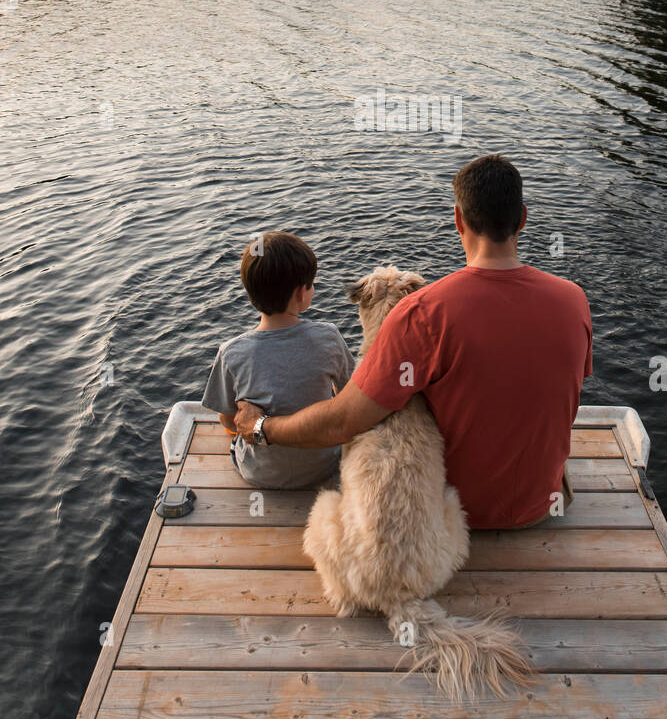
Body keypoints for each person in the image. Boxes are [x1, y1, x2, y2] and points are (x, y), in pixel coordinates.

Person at [234, 156, 593, 529]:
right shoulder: (574, 301)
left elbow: (342, 422)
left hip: (454, 514)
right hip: (543, 503)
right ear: (522, 218)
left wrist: (261, 429)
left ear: (458, 220)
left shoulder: (422, 312)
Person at [202, 231, 355, 489]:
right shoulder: (328, 336)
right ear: (300, 294)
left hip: (259, 474)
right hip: (323, 466)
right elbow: (347, 396)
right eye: (311, 284)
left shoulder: (231, 352)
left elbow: (228, 420)